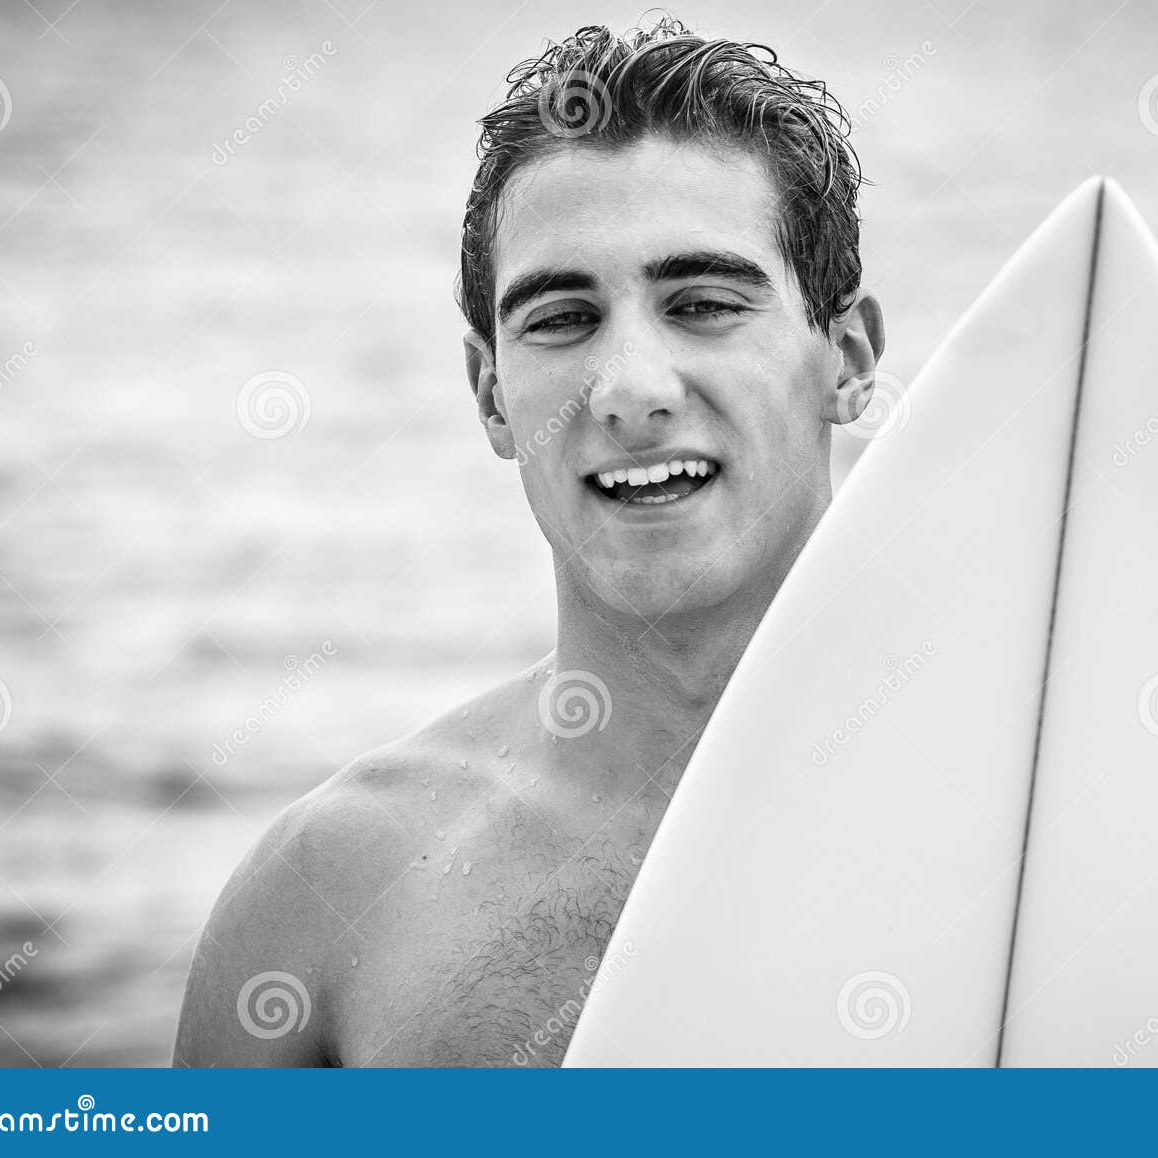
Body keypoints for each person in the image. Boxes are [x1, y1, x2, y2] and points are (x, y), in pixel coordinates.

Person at [174, 14, 885, 1067]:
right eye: (561, 318)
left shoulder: (1057, 808)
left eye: (701, 303)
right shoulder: (324, 905)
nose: (632, 389)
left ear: (851, 358)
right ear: (492, 394)